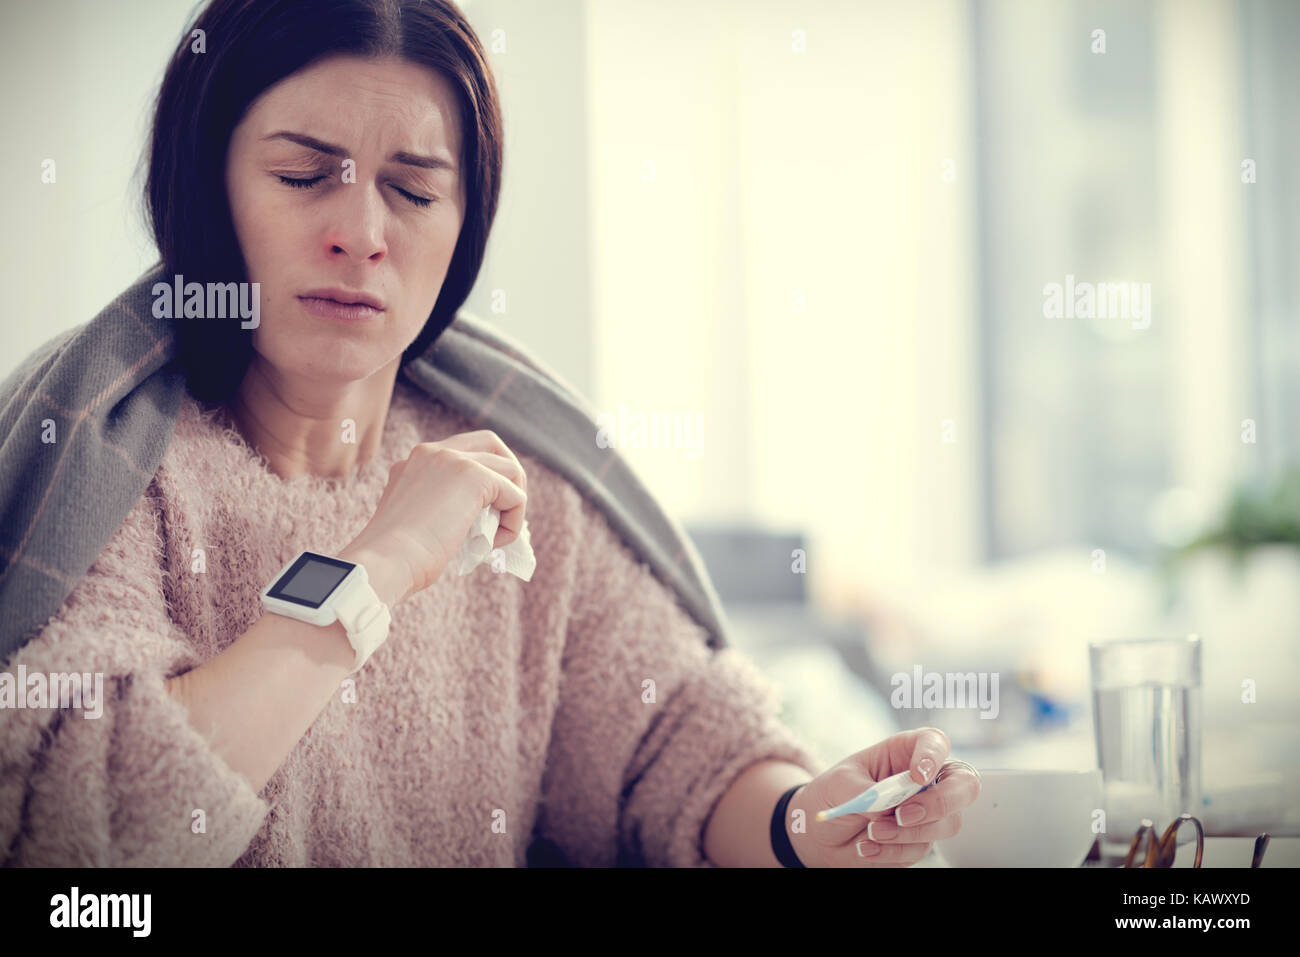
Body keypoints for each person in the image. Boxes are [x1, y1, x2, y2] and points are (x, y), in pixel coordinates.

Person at [0, 0, 977, 868]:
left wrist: (811, 823)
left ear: (463, 227)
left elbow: (680, 749)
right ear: (209, 190)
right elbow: (79, 832)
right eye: (304, 176)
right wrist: (377, 565)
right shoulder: (113, 473)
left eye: (416, 192)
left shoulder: (516, 484)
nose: (362, 232)